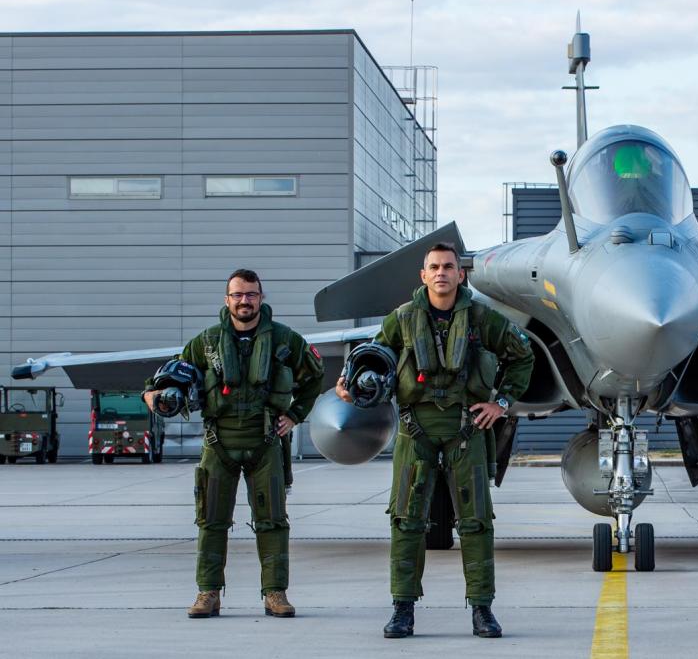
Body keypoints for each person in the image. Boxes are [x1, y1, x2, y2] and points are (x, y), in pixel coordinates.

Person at [336, 242, 533, 639]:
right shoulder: (402, 320)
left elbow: (522, 354)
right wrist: (350, 387)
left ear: (461, 275)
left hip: (467, 428)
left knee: (476, 522)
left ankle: (482, 610)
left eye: (448, 267)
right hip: (415, 429)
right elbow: (373, 357)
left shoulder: (482, 318)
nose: (441, 273)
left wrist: (502, 403)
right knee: (407, 522)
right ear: (423, 275)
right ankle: (402, 610)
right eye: (434, 267)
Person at [144, 269, 324, 618]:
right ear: (227, 300)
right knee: (210, 520)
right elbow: (165, 379)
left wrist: (296, 414)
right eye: (238, 295)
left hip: (265, 441)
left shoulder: (286, 341)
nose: (245, 301)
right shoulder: (205, 342)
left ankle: (275, 593)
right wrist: (153, 395)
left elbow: (315, 376)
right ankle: (208, 593)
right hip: (219, 442)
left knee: (273, 520)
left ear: (261, 297)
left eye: (251, 294)